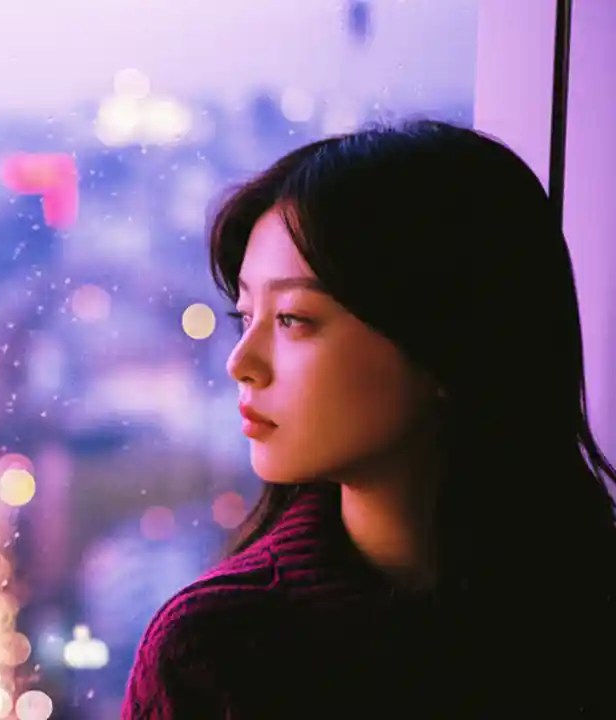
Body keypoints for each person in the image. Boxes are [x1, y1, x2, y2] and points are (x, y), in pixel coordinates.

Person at [121, 120, 616, 719]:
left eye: (294, 319)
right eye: (244, 314)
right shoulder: (215, 650)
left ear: (446, 344)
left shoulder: (585, 615)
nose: (240, 363)